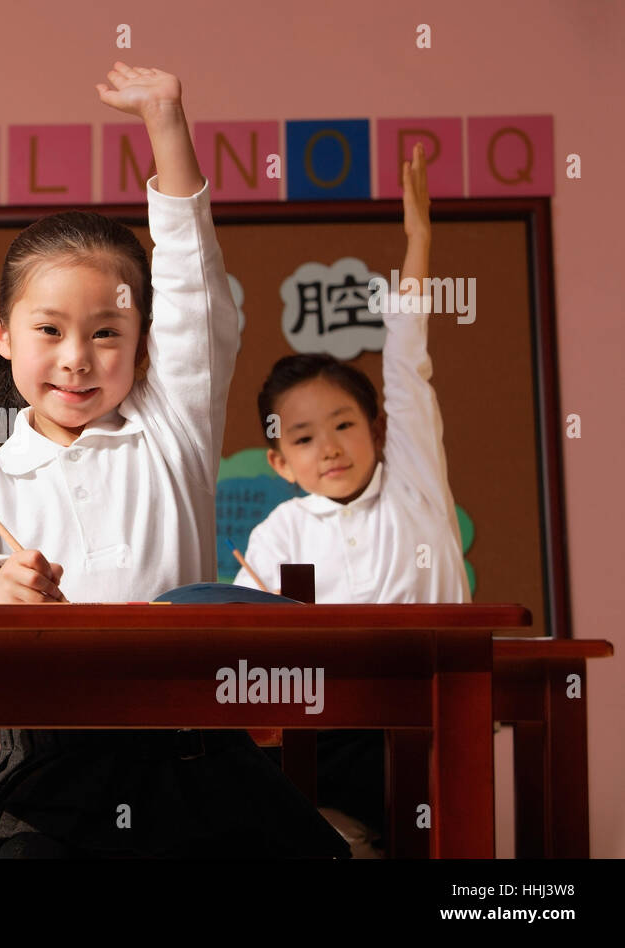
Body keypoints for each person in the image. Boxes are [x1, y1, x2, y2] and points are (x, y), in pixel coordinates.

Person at [0, 64, 349, 859]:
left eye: (107, 332)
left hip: (202, 761)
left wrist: (166, 123)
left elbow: (194, 288)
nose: (77, 359)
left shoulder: (170, 429)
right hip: (55, 773)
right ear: (4, 334)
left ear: (145, 344)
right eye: (49, 331)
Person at [236, 143, 469, 856]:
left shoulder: (412, 483)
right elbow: (246, 634)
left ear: (378, 429)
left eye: (342, 425)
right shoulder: (281, 531)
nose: (330, 447)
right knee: (236, 774)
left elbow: (405, 356)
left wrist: (419, 236)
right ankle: (339, 839)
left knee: (393, 784)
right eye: (303, 439)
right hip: (320, 721)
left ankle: (355, 838)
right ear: (278, 461)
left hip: (420, 712)